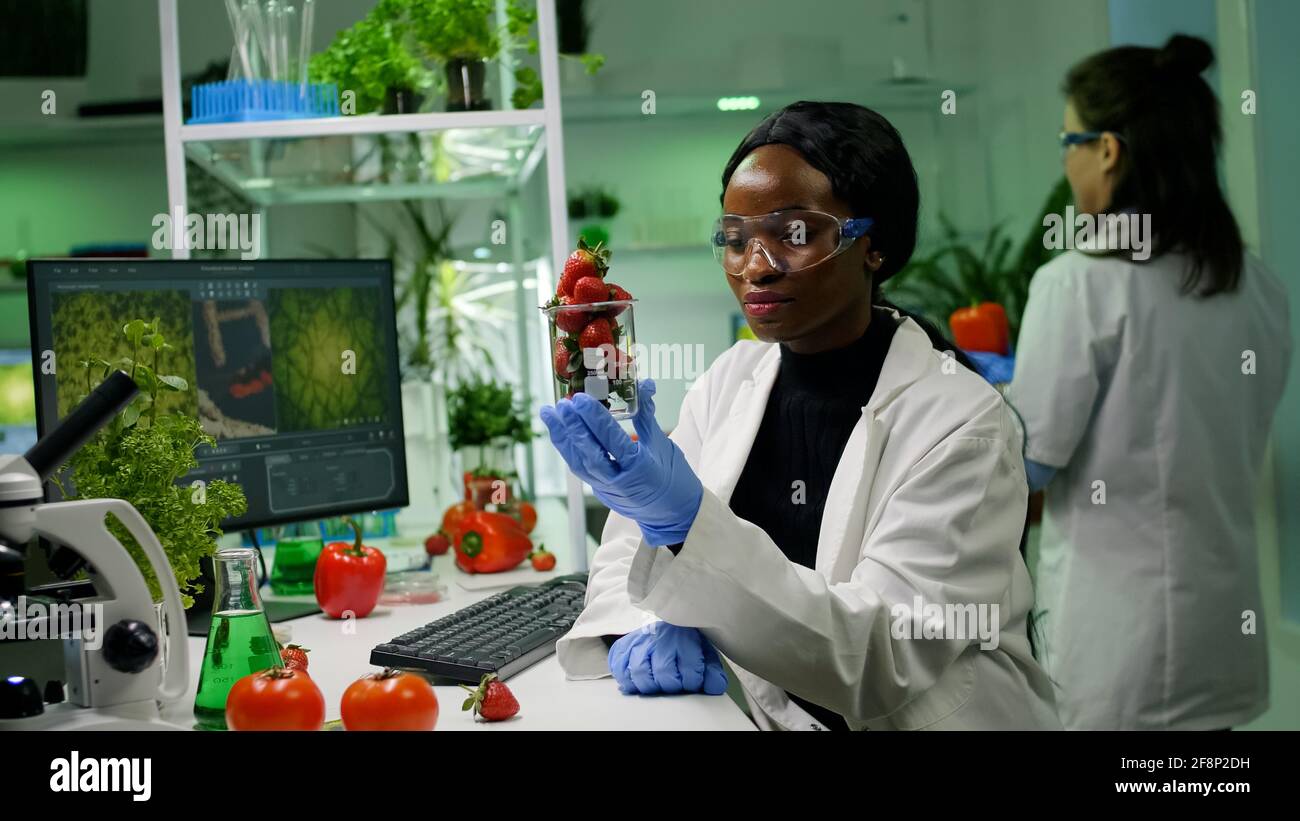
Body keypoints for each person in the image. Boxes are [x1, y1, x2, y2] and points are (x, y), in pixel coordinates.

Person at [542, 101, 1060, 730]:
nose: (756, 266)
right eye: (735, 239)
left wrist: (686, 525)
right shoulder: (725, 383)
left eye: (794, 234)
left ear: (874, 245)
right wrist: (653, 621)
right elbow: (626, 556)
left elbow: (881, 654)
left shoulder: (960, 421)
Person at [1009, 35, 1292, 729]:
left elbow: (1028, 461)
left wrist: (993, 402)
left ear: (1107, 149)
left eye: (1068, 139)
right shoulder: (1257, 286)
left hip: (1121, 655)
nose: (1066, 162)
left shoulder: (1077, 284)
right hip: (1222, 636)